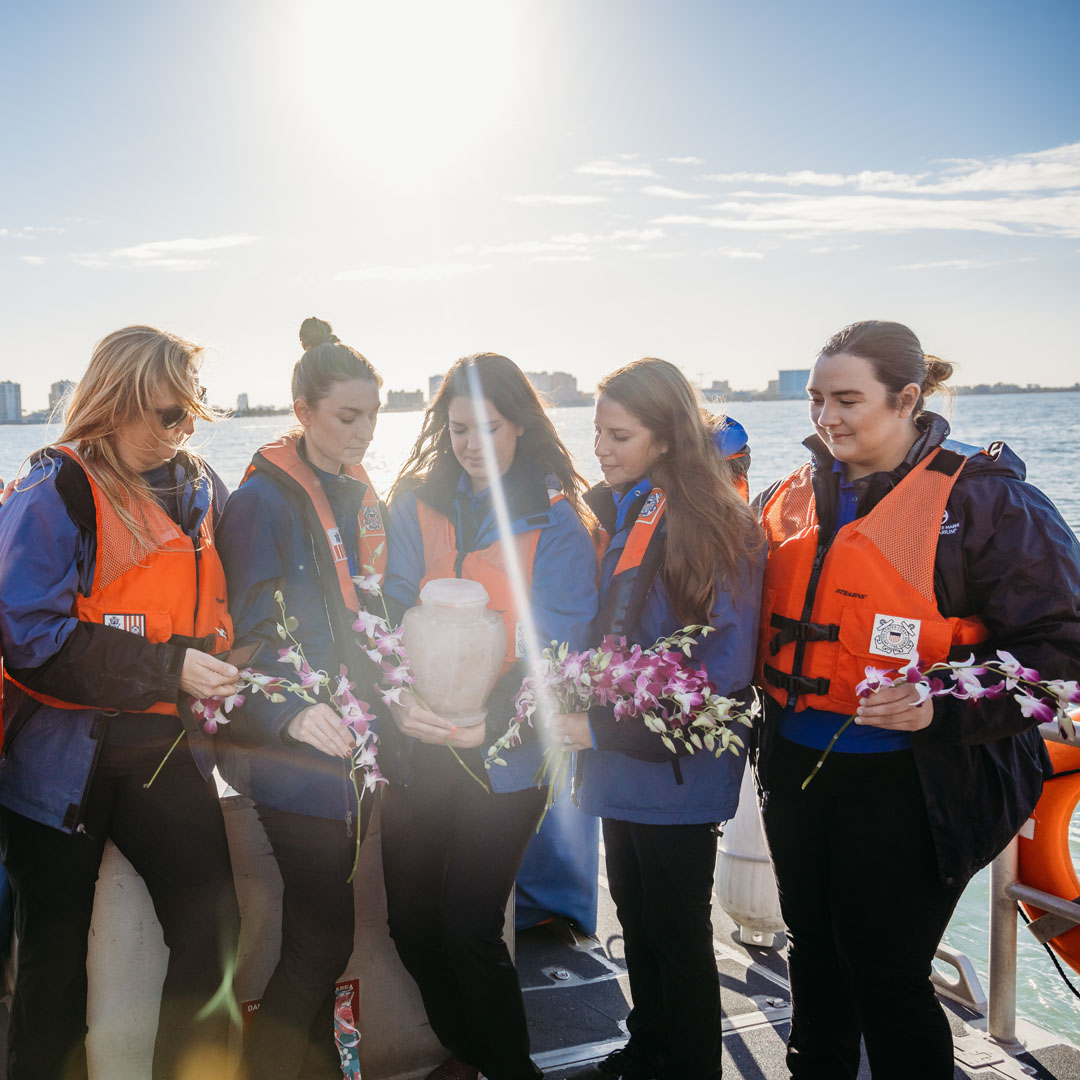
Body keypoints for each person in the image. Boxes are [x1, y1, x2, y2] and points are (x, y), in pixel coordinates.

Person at [753, 320, 1080, 1080]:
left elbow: (1062, 652)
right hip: (797, 765)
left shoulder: (990, 505)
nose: (826, 417)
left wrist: (943, 702)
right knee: (815, 953)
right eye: (814, 399)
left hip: (916, 782)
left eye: (847, 399)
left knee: (889, 975)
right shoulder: (787, 496)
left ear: (906, 400)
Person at [0, 325, 241, 1079]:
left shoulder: (202, 486)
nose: (182, 432)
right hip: (55, 763)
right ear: (118, 401)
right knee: (53, 960)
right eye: (168, 415)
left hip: (160, 750)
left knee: (213, 927)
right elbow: (26, 636)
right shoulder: (53, 492)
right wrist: (170, 668)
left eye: (192, 414)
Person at [381, 352, 599, 1080]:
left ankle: (509, 1070)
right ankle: (474, 1054)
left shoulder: (558, 523)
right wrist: (397, 696)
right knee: (409, 925)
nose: (472, 443)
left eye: (489, 427)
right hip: (419, 750)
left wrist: (497, 720)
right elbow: (390, 604)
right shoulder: (414, 500)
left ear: (521, 426)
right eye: (458, 428)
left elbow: (558, 642)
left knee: (468, 927)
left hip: (506, 755)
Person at [551, 358, 765, 1080]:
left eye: (618, 434)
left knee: (676, 930)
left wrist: (600, 729)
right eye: (597, 433)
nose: (601, 449)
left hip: (672, 767)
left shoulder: (713, 525)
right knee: (638, 920)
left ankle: (692, 1066)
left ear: (667, 437)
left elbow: (722, 667)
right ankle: (649, 1051)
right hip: (620, 763)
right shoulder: (628, 507)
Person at [215, 330, 390, 1080]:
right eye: (348, 416)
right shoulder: (261, 503)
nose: (364, 431)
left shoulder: (356, 493)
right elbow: (248, 635)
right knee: (320, 942)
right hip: (294, 750)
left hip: (351, 744)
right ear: (302, 411)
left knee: (324, 941)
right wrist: (289, 712)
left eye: (373, 415)